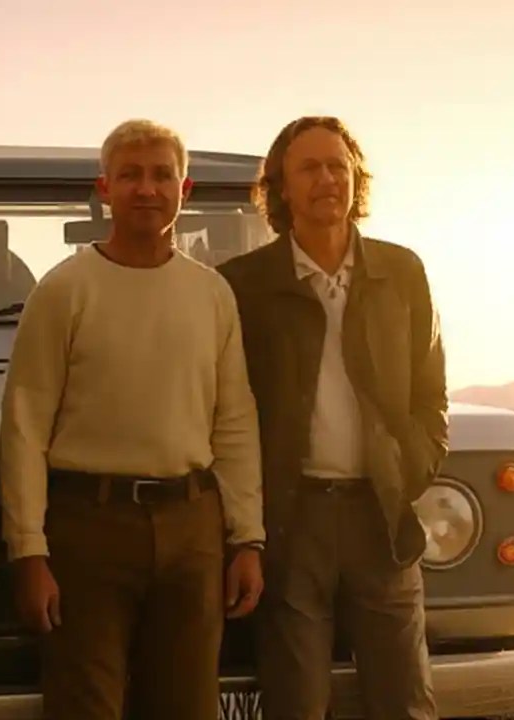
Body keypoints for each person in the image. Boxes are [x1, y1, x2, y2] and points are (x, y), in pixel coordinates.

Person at [0, 118, 266, 720]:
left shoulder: (212, 295)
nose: (147, 189)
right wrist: (29, 552)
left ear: (184, 189)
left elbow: (234, 423)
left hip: (192, 527)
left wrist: (247, 538)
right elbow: (24, 427)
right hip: (88, 526)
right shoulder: (64, 291)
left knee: (187, 705)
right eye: (131, 176)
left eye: (162, 175)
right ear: (105, 189)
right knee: (86, 706)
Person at [217, 115, 450, 720]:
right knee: (296, 703)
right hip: (292, 524)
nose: (327, 179)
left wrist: (412, 466)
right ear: (281, 187)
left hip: (383, 518)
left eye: (337, 166)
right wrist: (248, 527)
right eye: (309, 168)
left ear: (355, 179)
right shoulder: (242, 286)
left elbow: (430, 393)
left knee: (405, 701)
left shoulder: (401, 273)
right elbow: (224, 410)